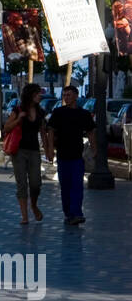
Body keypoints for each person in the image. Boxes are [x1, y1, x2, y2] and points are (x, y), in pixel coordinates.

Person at [47, 85, 96, 225]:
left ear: (76, 96)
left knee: (77, 186)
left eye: (69, 95)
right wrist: (50, 149)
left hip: (77, 156)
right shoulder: (58, 112)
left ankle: (77, 213)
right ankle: (68, 213)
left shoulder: (84, 114)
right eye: (64, 95)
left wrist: (94, 149)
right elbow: (50, 131)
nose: (66, 97)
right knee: (66, 187)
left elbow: (91, 132)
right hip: (62, 155)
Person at [3, 82, 47, 224]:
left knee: (36, 183)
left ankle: (33, 206)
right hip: (19, 151)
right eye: (37, 93)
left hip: (34, 151)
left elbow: (43, 133)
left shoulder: (40, 112)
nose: (40, 96)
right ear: (31, 95)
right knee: (21, 183)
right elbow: (6, 128)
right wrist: (18, 119)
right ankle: (25, 216)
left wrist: (48, 151)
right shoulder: (18, 109)